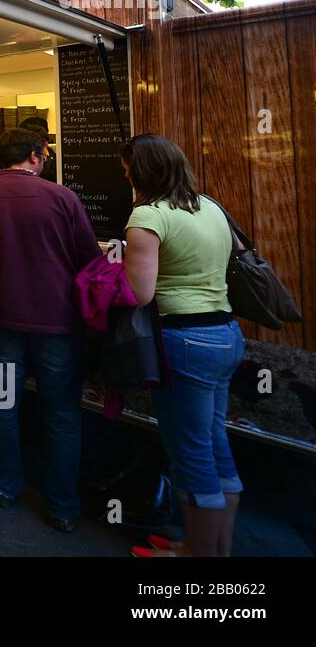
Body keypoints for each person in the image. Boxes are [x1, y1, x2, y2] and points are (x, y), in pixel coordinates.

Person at [0, 128, 100, 533]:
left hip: (0, 315)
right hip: (58, 321)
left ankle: (4, 487)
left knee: (2, 405)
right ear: (35, 156)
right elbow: (90, 258)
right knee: (62, 412)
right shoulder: (64, 197)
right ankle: (63, 507)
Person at [121, 134, 240, 558]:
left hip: (185, 341)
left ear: (141, 170)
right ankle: (216, 549)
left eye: (128, 167)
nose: (126, 175)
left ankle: (197, 554)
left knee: (190, 453)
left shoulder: (147, 216)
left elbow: (139, 294)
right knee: (214, 442)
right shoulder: (210, 207)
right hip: (227, 334)